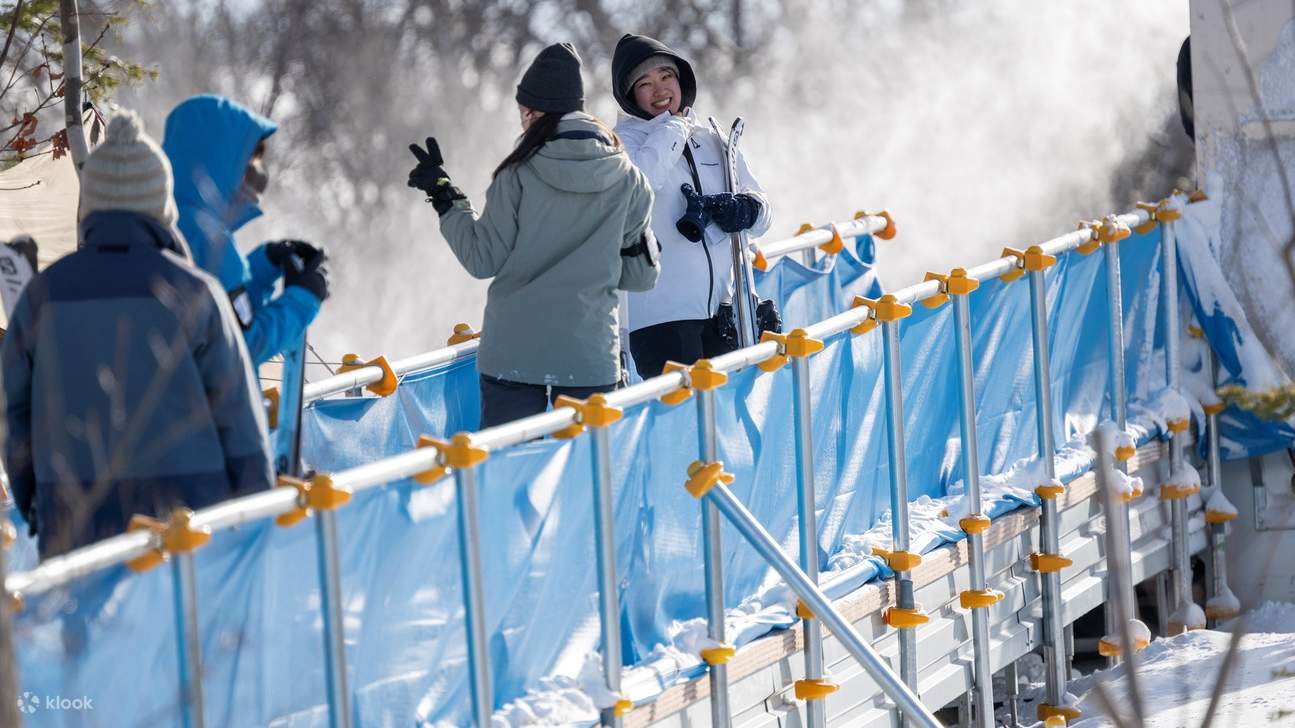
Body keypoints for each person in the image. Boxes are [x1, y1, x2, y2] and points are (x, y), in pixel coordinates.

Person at [2, 110, 273, 559]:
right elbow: (238, 421)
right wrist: (254, 521)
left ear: (90, 205)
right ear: (161, 206)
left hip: (76, 534)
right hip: (189, 537)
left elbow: (14, 417)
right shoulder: (196, 293)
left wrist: (38, 504)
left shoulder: (40, 298)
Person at [407, 42, 658, 428]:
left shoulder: (517, 173)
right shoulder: (629, 179)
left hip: (513, 355)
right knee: (588, 464)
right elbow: (640, 276)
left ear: (533, 112)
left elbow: (482, 260)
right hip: (589, 356)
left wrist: (445, 196)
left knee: (509, 464)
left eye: (524, 113)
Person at [610, 34, 775, 380]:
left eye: (666, 76)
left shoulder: (712, 138)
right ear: (629, 96)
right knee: (683, 412)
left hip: (722, 314)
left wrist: (746, 210)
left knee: (726, 411)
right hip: (661, 319)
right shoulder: (619, 145)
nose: (659, 89)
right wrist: (673, 126)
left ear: (681, 79)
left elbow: (762, 208)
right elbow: (639, 187)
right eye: (645, 83)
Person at [163, 94, 329, 366]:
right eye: (250, 160)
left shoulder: (164, 220)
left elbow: (220, 314)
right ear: (220, 160)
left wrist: (263, 267)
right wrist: (302, 299)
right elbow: (240, 347)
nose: (257, 174)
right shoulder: (207, 239)